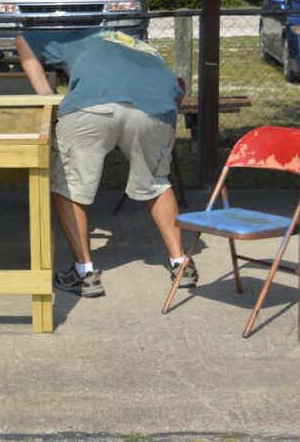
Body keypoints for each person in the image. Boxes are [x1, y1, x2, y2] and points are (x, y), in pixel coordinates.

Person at [15, 29, 198, 298]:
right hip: (152, 112)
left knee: (69, 186)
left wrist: (46, 94)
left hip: (91, 105)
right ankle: (180, 263)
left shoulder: (82, 37)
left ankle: (84, 273)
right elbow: (169, 130)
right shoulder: (152, 55)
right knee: (157, 182)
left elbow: (22, 39)